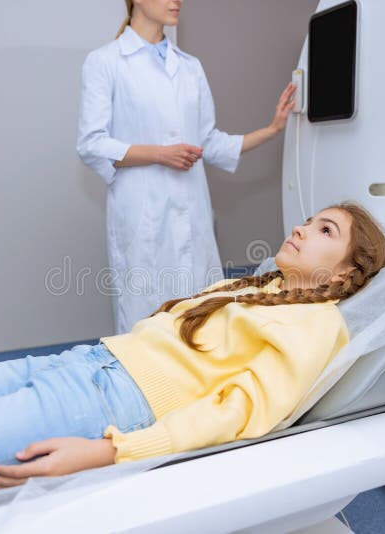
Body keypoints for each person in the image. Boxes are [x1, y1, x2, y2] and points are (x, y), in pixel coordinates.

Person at [0, 203, 385, 532]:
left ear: (344, 273)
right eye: (309, 219)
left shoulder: (319, 326)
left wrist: (108, 452)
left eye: (324, 230)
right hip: (79, 364)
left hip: (100, 408)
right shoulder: (261, 286)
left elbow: (234, 415)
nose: (299, 227)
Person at [77, 0, 297, 334]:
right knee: (145, 317)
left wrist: (272, 128)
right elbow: (91, 143)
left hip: (192, 212)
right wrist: (159, 154)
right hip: (141, 213)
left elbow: (207, 141)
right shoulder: (106, 61)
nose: (177, 1)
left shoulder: (190, 66)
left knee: (199, 312)